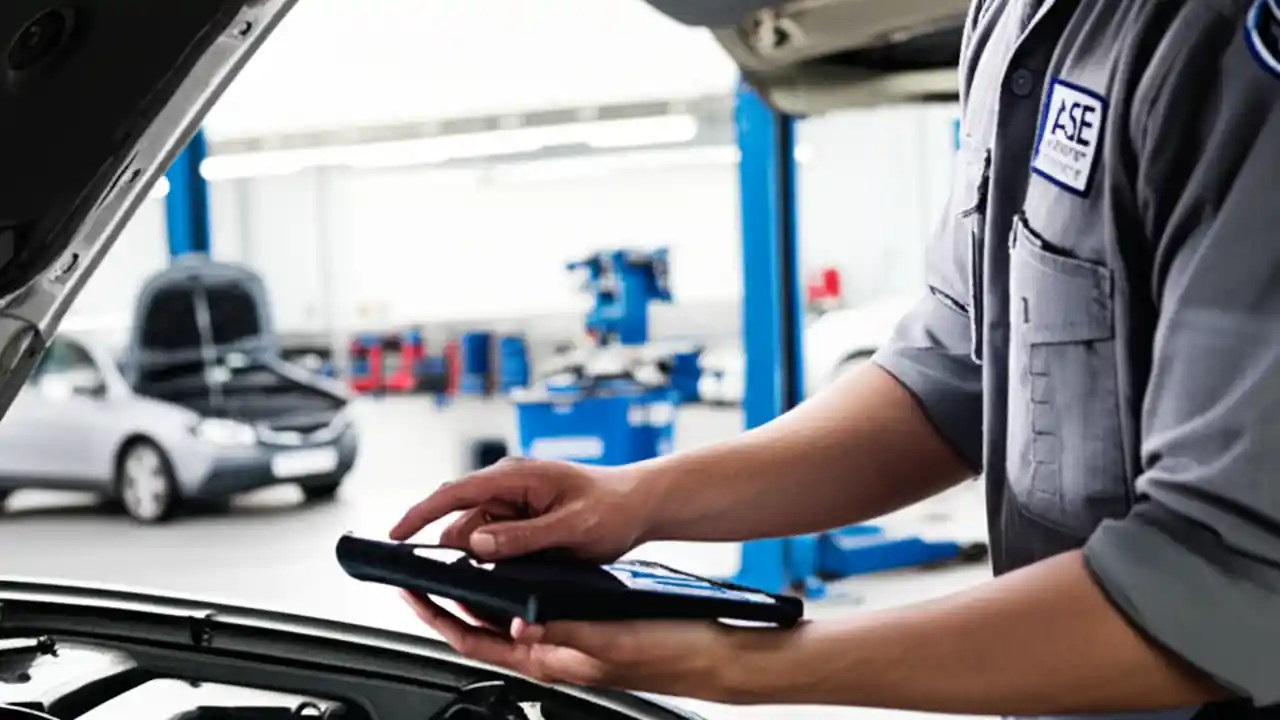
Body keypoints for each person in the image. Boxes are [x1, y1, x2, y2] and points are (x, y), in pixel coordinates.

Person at [390, 0, 1280, 716]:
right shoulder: (1013, 21)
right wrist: (636, 498)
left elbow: (1228, 587)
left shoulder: (1222, 41)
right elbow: (956, 372)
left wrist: (737, 666)